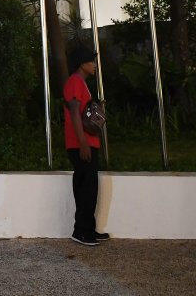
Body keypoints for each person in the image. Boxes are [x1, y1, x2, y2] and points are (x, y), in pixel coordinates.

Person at [64, 47, 107, 246]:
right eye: (91, 61)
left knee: (90, 187)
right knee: (85, 188)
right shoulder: (74, 81)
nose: (94, 65)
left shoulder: (81, 83)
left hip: (87, 142)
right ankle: (80, 232)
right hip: (81, 144)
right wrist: (82, 143)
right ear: (82, 63)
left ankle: (88, 228)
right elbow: (74, 113)